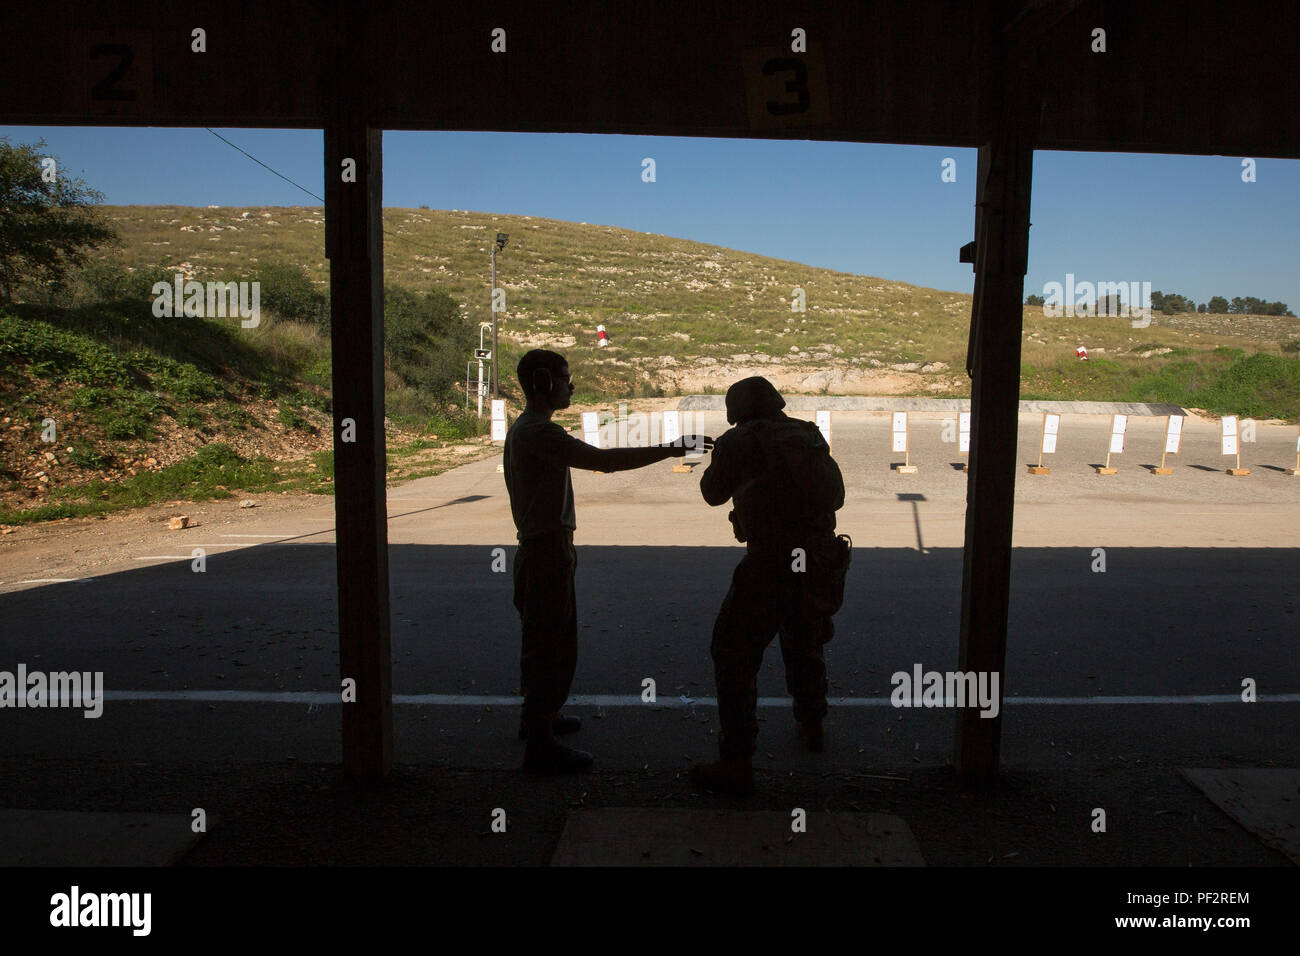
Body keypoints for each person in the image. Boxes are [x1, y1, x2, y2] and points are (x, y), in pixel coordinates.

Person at [504, 349, 713, 774]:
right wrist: (672, 449)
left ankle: (537, 720)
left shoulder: (530, 429)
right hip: (546, 551)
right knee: (550, 646)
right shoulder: (538, 434)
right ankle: (540, 746)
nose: (570, 385)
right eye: (564, 378)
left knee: (546, 641)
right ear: (544, 383)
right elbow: (603, 462)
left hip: (545, 548)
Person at [689, 377, 849, 796]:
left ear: (737, 409)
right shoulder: (808, 434)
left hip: (770, 560)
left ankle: (737, 760)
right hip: (816, 558)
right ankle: (812, 722)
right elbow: (836, 497)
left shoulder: (738, 441)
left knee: (732, 651)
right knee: (804, 640)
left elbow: (711, 494)